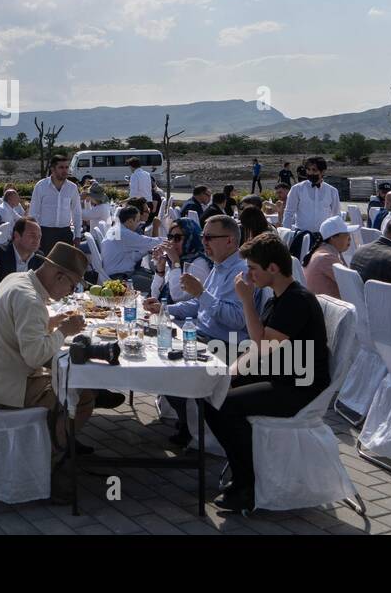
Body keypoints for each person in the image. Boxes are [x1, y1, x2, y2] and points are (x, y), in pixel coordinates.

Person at [201, 232, 330, 512]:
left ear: (273, 268)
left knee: (223, 405)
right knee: (210, 392)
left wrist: (246, 300)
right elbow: (259, 350)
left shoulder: (296, 301)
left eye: (253, 269)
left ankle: (248, 484)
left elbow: (262, 344)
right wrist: (231, 371)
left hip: (300, 385)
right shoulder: (279, 297)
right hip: (281, 372)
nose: (248, 276)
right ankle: (246, 471)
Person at [0, 242, 98, 499]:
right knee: (81, 398)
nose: (70, 292)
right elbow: (35, 356)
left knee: (71, 382)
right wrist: (63, 332)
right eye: (72, 286)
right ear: (59, 275)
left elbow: (19, 329)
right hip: (6, 386)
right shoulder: (30, 300)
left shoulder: (18, 279)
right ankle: (45, 468)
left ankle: (63, 437)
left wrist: (49, 323)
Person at [146, 214, 252, 449]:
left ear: (230, 241)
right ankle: (190, 425)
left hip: (226, 345)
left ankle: (197, 431)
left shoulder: (241, 272)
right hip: (203, 335)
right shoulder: (219, 266)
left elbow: (236, 320)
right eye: (203, 237)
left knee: (166, 366)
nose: (204, 242)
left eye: (210, 237)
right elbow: (197, 304)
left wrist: (201, 294)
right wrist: (164, 308)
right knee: (156, 353)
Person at [100, 206, 163, 293]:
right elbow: (149, 242)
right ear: (130, 221)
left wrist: (146, 251)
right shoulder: (123, 234)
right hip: (119, 278)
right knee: (160, 285)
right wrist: (171, 241)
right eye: (137, 221)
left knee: (156, 278)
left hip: (119, 273)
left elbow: (131, 256)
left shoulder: (116, 229)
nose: (139, 223)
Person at [29, 155, 83, 254]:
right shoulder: (41, 186)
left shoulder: (72, 188)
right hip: (45, 233)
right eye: (61, 167)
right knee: (45, 265)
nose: (65, 170)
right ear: (52, 169)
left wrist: (78, 235)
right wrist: (35, 236)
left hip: (65, 233)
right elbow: (33, 213)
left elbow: (77, 213)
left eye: (67, 167)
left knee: (64, 266)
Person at [282, 156, 340, 235]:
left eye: (314, 170)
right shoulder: (297, 189)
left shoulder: (332, 191)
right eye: (308, 170)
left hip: (324, 236)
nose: (310, 173)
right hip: (301, 235)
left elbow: (336, 216)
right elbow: (289, 213)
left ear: (322, 171)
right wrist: (285, 235)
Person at [303, 215, 352, 298]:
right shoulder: (327, 258)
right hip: (324, 309)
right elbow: (351, 284)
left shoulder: (323, 251)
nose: (350, 238)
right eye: (346, 234)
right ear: (333, 237)